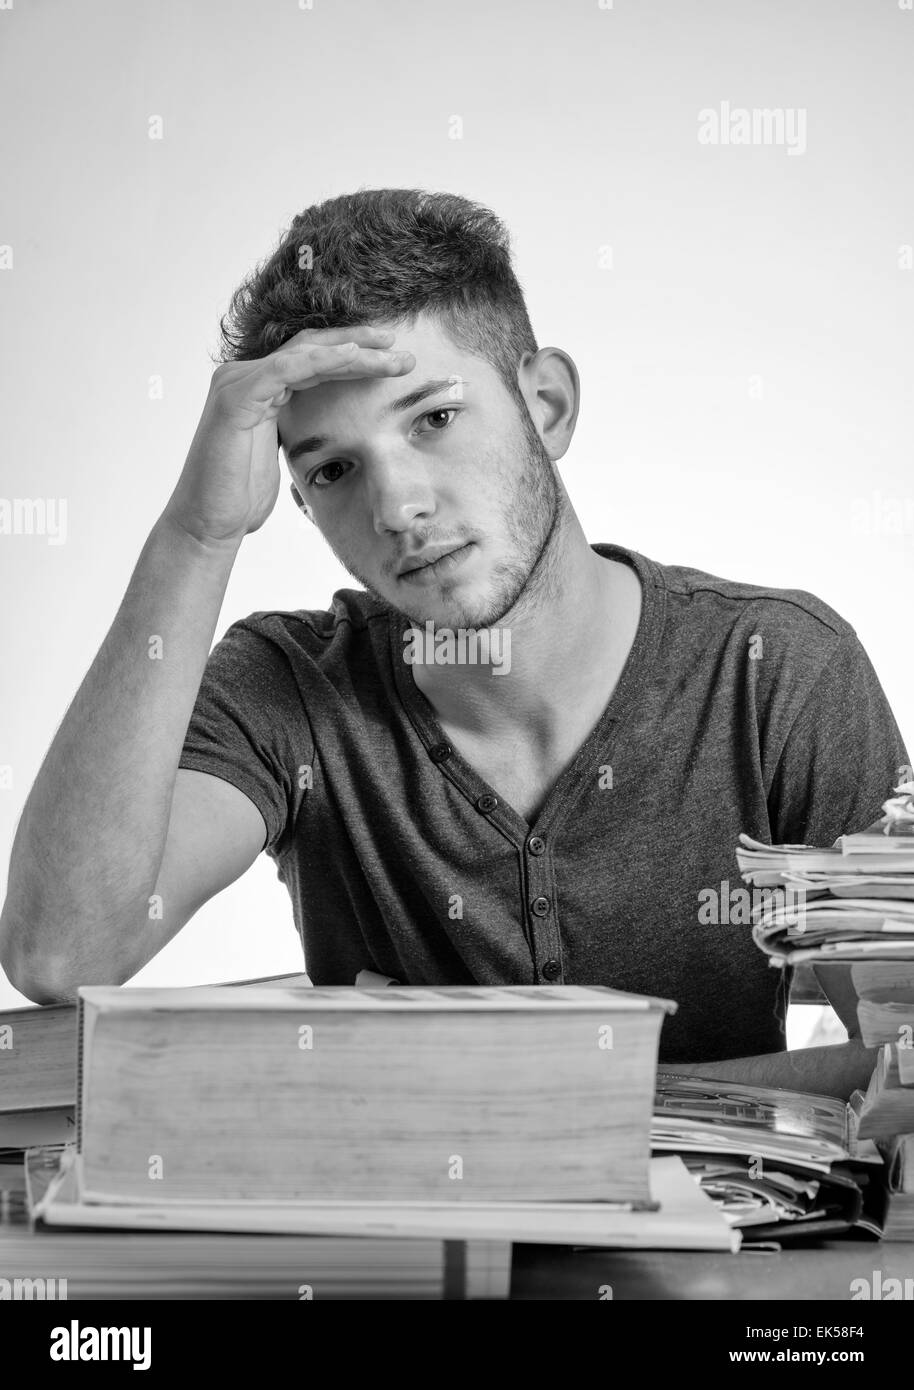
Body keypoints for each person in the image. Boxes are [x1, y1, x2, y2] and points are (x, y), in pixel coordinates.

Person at [0, 189, 906, 1098]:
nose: (398, 509)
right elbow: (59, 951)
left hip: (724, 1239)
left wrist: (510, 1097)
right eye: (333, 470)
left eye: (433, 418)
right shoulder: (286, 692)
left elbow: (898, 1060)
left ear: (545, 406)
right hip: (399, 1246)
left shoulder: (777, 673)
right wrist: (198, 534)